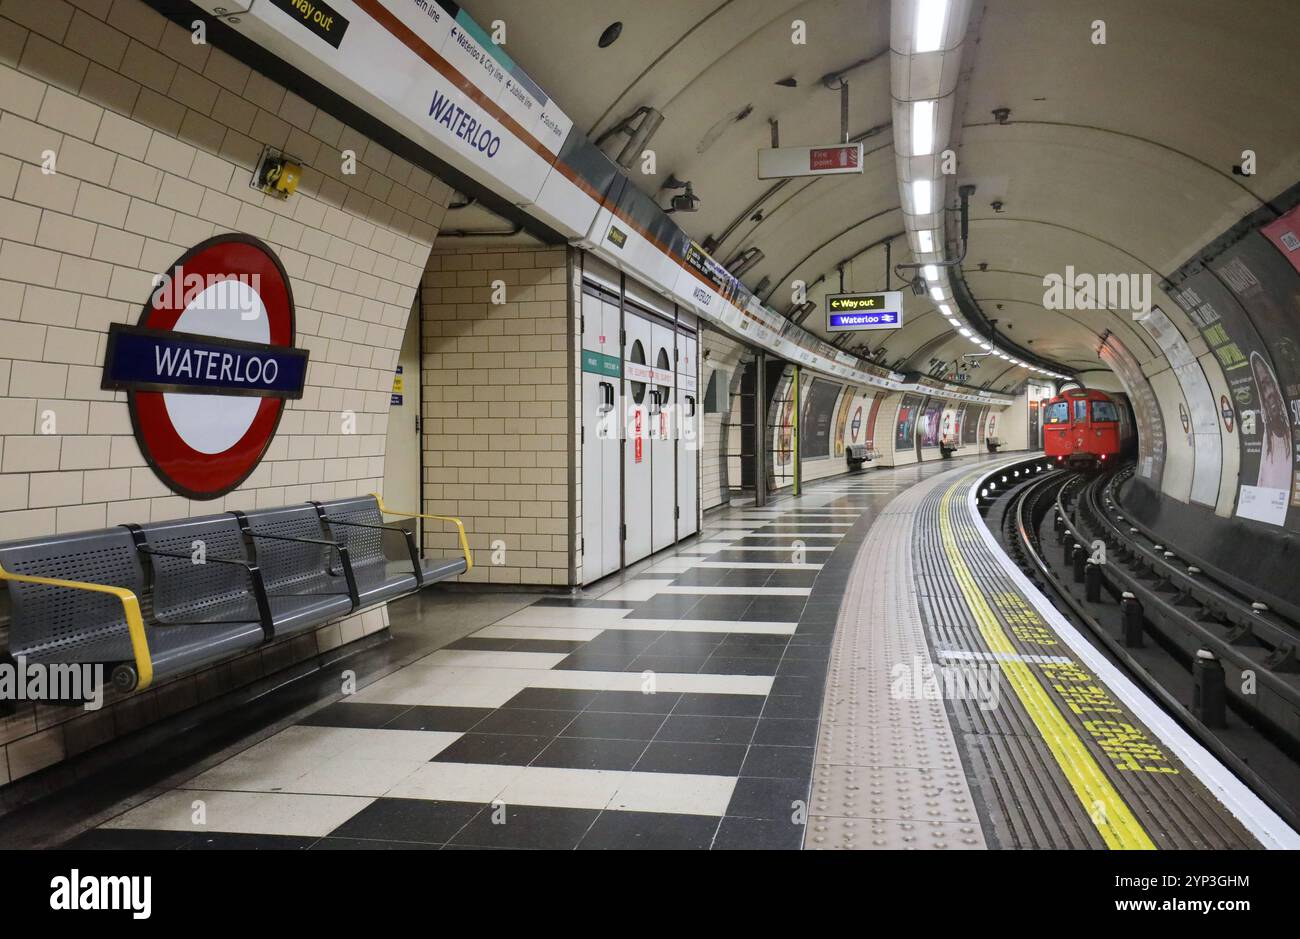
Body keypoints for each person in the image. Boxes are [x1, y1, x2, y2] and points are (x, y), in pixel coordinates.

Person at [1252, 351, 1293, 492]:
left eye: (1269, 383)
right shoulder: (1267, 442)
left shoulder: (1293, 432)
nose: (1269, 393)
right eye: (1263, 388)